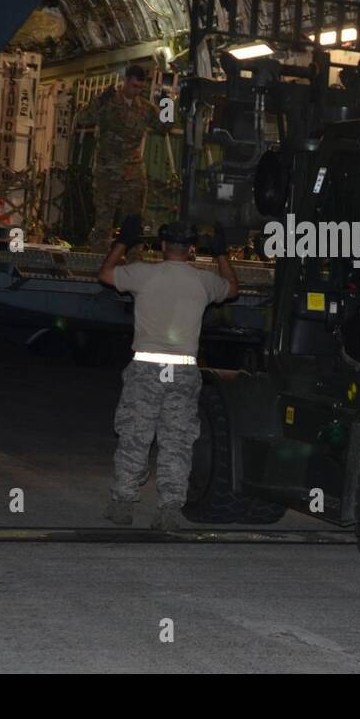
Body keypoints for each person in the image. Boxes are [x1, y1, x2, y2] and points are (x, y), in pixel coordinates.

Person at [98, 216, 239, 530]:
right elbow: (232, 288)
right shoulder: (204, 281)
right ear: (191, 250)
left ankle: (123, 503)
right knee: (176, 441)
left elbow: (105, 274)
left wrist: (124, 241)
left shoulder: (144, 274)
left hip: (146, 368)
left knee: (136, 436)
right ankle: (169, 511)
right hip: (183, 371)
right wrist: (220, 254)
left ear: (162, 246)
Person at [77, 64, 164, 252]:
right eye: (133, 86)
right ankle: (99, 260)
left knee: (133, 221)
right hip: (108, 171)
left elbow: (165, 125)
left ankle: (133, 262)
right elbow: (82, 119)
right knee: (103, 220)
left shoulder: (146, 108)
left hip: (133, 173)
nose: (136, 91)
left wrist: (168, 103)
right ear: (125, 81)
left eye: (140, 88)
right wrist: (99, 100)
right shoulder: (108, 102)